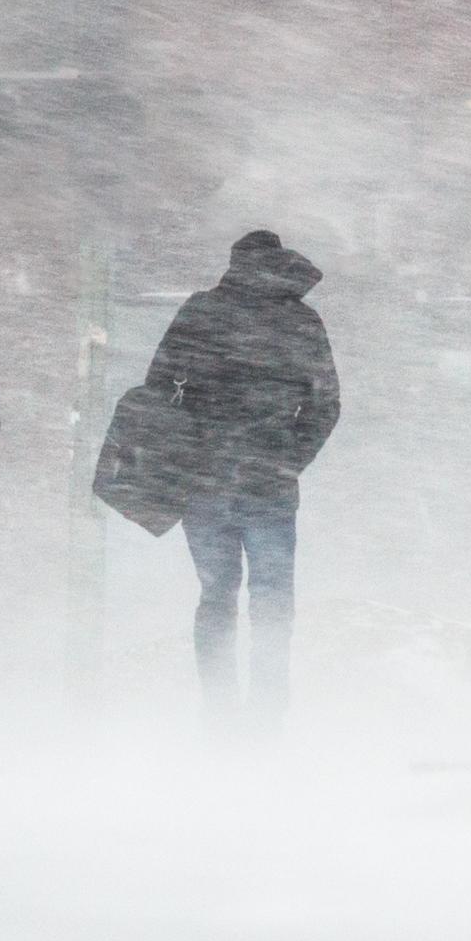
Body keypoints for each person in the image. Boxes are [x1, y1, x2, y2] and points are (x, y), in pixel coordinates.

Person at [146, 228, 339, 735]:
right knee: (273, 598)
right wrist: (288, 457)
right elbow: (325, 405)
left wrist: (186, 448)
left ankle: (219, 710)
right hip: (270, 486)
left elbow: (157, 391)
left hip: (205, 482)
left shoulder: (201, 312)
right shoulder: (301, 320)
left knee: (216, 593)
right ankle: (268, 711)